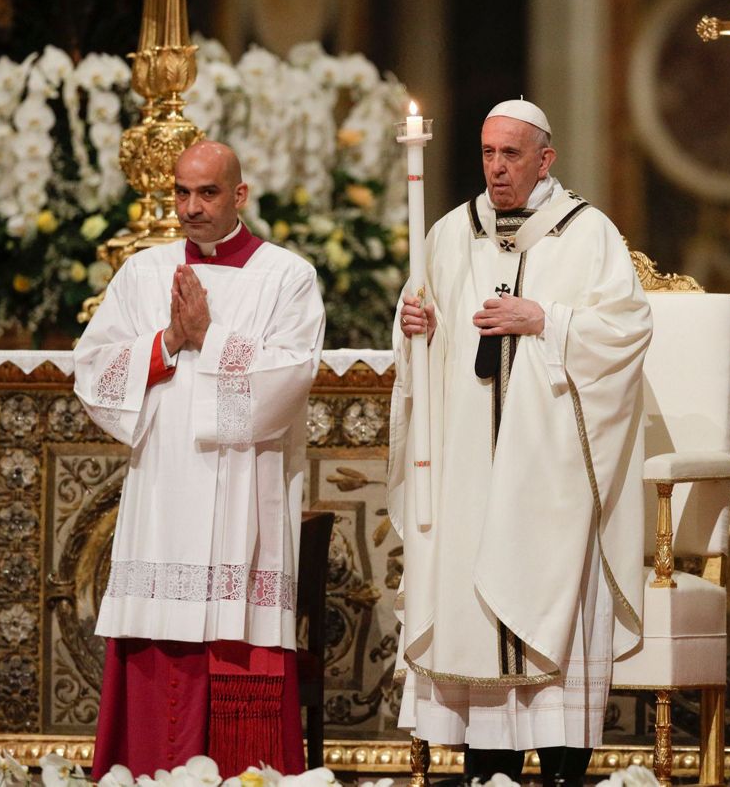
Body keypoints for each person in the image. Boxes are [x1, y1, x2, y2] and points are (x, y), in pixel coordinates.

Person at [388, 100, 652, 787]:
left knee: (550, 613)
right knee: (480, 618)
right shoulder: (449, 234)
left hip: (552, 470)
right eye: (487, 154)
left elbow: (627, 331)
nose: (497, 168)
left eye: (511, 154)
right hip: (472, 465)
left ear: (546, 159)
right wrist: (415, 324)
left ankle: (565, 771)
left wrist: (546, 321)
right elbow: (426, 332)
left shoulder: (588, 234)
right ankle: (490, 772)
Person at [74, 141, 325, 778]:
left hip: (245, 489)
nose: (191, 207)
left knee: (236, 637)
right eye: (182, 193)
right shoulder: (142, 273)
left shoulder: (287, 276)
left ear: (239, 195)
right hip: (163, 489)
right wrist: (167, 342)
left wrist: (208, 338)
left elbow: (288, 379)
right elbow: (95, 369)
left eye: (207, 193)